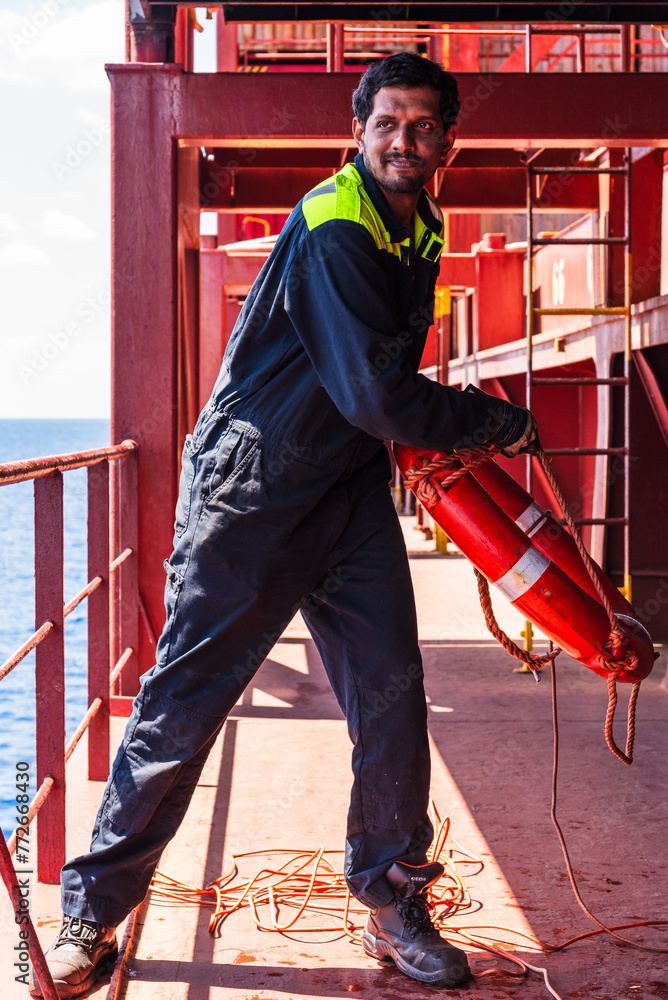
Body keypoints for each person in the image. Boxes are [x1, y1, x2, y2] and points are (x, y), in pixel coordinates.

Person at [30, 51, 538, 997]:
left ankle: (394, 901)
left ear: (446, 143)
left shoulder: (419, 224)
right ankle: (88, 917)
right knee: (182, 711)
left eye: (424, 126)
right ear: (359, 131)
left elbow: (368, 398)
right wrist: (490, 418)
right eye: (387, 122)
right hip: (252, 495)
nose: (404, 140)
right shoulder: (337, 225)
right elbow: (375, 392)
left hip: (344, 494)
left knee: (392, 698)